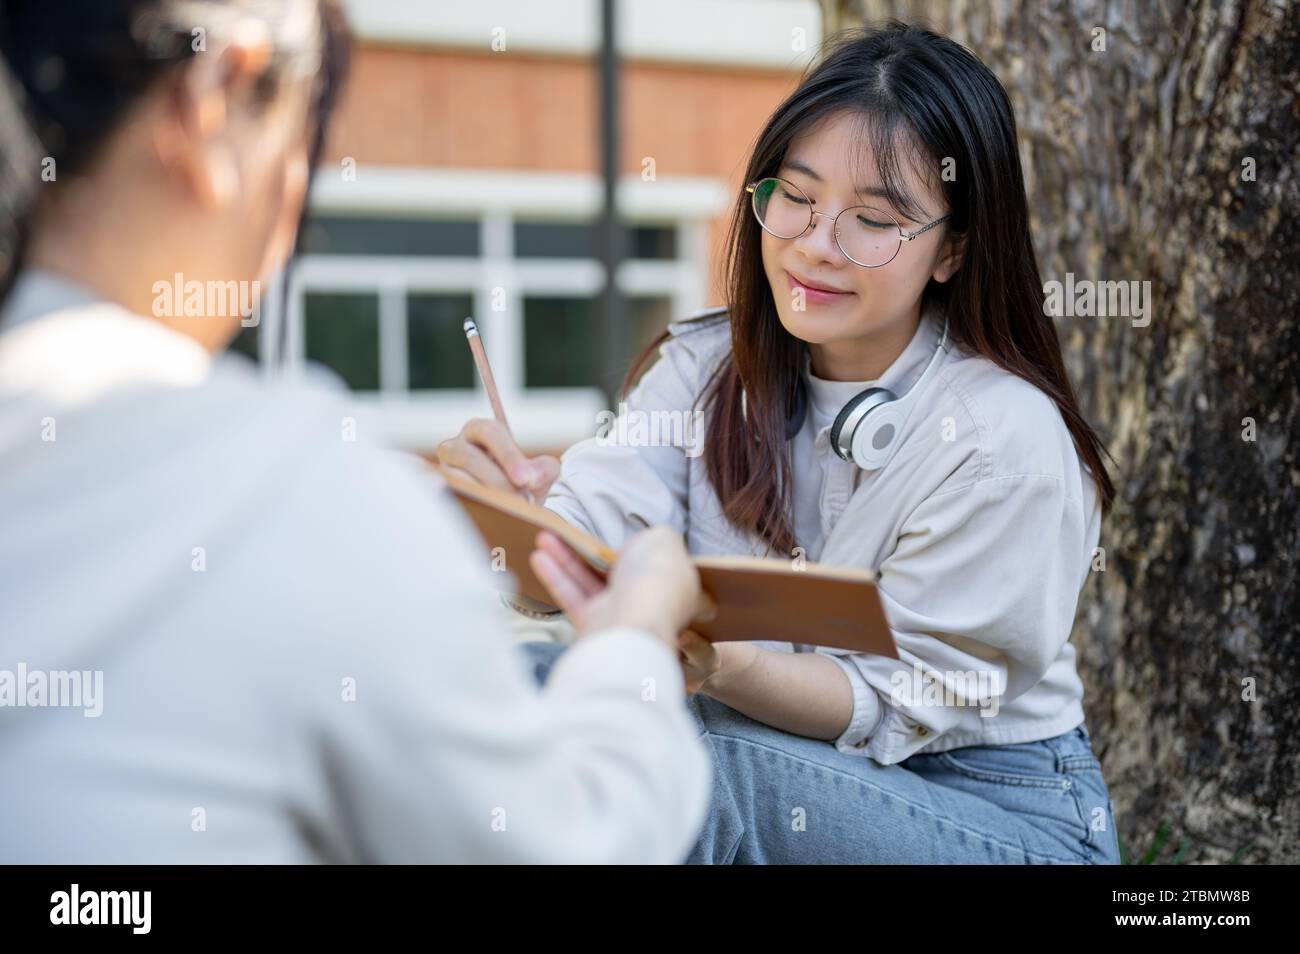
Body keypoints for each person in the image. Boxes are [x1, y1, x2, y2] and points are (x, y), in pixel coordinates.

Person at [0, 0, 713, 864]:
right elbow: (571, 844)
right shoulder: (288, 483)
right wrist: (634, 641)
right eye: (314, 119)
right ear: (215, 100)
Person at [438, 23, 1124, 864]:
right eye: (794, 196)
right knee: (511, 688)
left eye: (873, 220)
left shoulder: (1000, 439)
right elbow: (589, 536)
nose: (814, 245)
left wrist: (713, 659)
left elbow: (882, 703)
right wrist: (513, 522)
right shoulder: (703, 363)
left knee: (696, 766)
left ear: (953, 249)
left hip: (993, 806)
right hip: (761, 746)